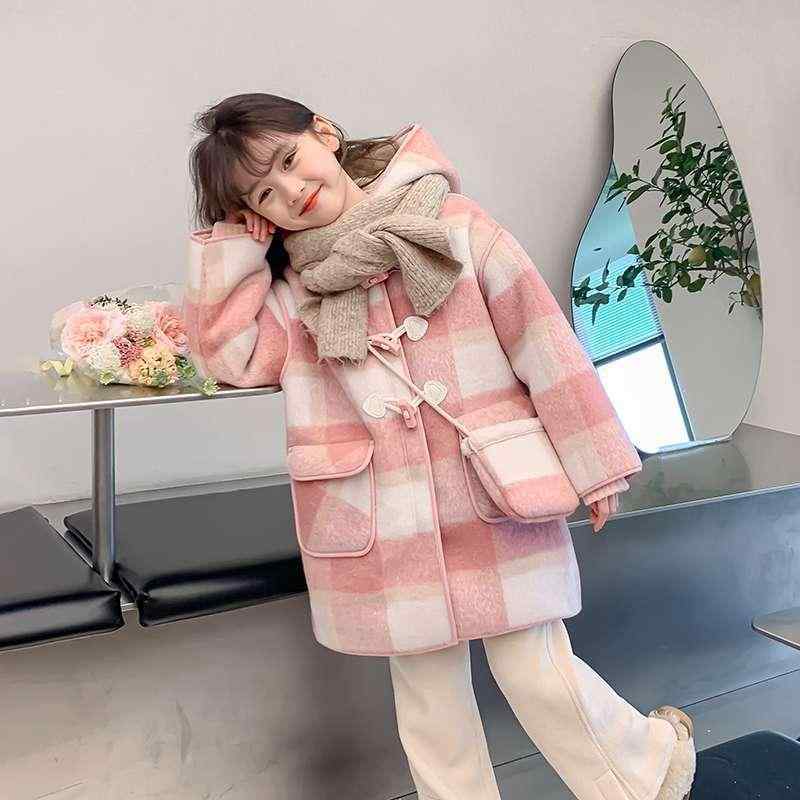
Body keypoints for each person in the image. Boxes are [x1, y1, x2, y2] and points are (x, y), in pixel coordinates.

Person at [184, 93, 696, 800]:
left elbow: (542, 339)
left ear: (324, 134)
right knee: (429, 704)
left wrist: (597, 463)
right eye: (264, 194)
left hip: (492, 492)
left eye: (290, 161)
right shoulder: (291, 291)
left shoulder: (452, 223)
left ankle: (646, 772)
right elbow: (230, 356)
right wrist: (233, 249)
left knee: (536, 670)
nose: (292, 191)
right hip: (382, 519)